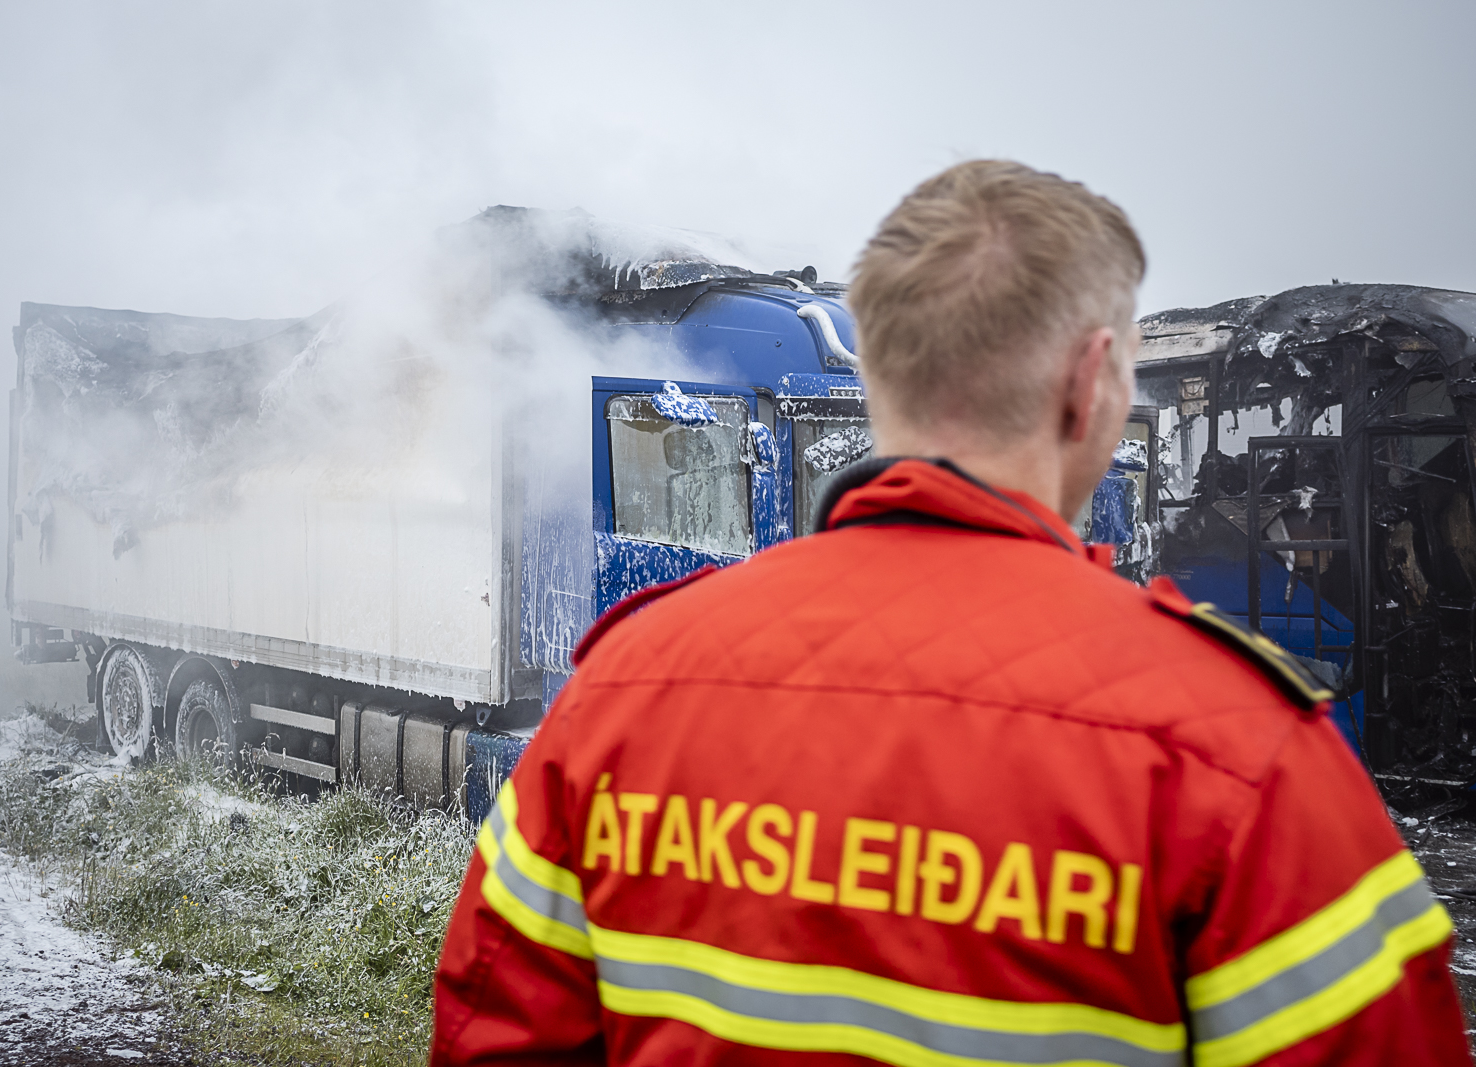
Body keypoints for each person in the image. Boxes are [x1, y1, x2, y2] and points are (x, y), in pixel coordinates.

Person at [430, 161, 1469, 1066]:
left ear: (879, 371)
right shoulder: (1243, 759)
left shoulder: (623, 692)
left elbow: (497, 1031)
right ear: (1093, 383)